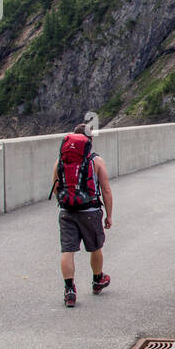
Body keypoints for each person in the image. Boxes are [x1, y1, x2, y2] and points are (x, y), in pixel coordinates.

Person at [51, 123, 113, 307]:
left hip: (66, 211)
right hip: (90, 211)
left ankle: (69, 289)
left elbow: (55, 187)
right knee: (95, 248)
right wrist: (108, 216)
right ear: (90, 140)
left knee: (68, 250)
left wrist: (66, 202)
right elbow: (106, 191)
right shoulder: (96, 161)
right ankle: (97, 280)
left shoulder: (61, 161)